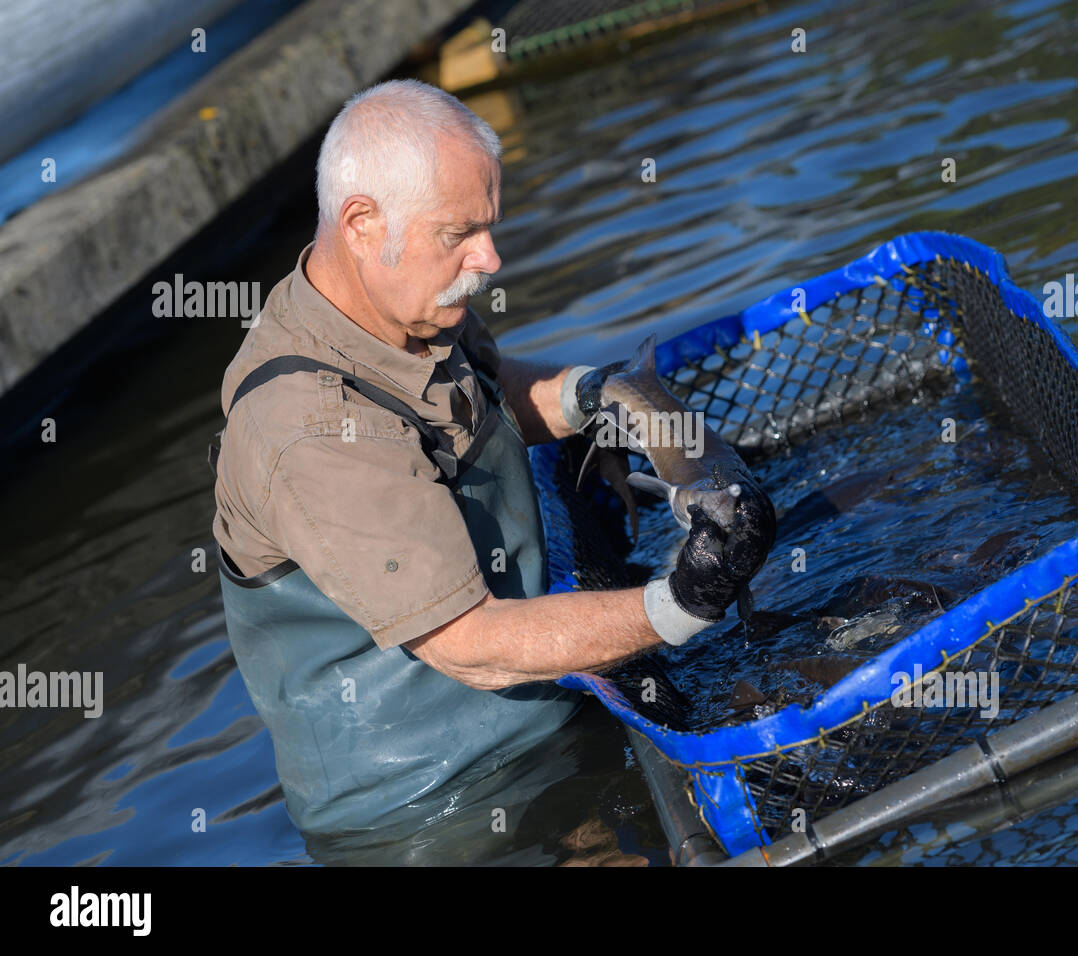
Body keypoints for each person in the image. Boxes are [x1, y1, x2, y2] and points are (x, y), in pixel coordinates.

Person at [210, 79, 770, 838]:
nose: (491, 257)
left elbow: (483, 384)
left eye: (489, 227)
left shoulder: (402, 302)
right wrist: (684, 600)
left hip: (550, 710)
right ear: (363, 224)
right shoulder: (308, 428)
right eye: (459, 235)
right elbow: (472, 646)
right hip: (437, 809)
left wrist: (595, 399)